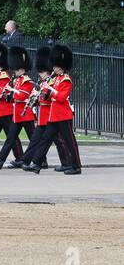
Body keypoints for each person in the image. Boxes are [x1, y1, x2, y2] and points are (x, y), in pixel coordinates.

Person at [20, 44, 81, 175]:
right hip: (54, 116)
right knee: (45, 139)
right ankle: (36, 164)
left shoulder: (66, 80)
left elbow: (61, 97)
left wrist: (51, 89)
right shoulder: (56, 79)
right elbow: (48, 96)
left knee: (70, 142)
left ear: (61, 66)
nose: (53, 68)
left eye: (56, 66)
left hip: (63, 116)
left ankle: (76, 166)